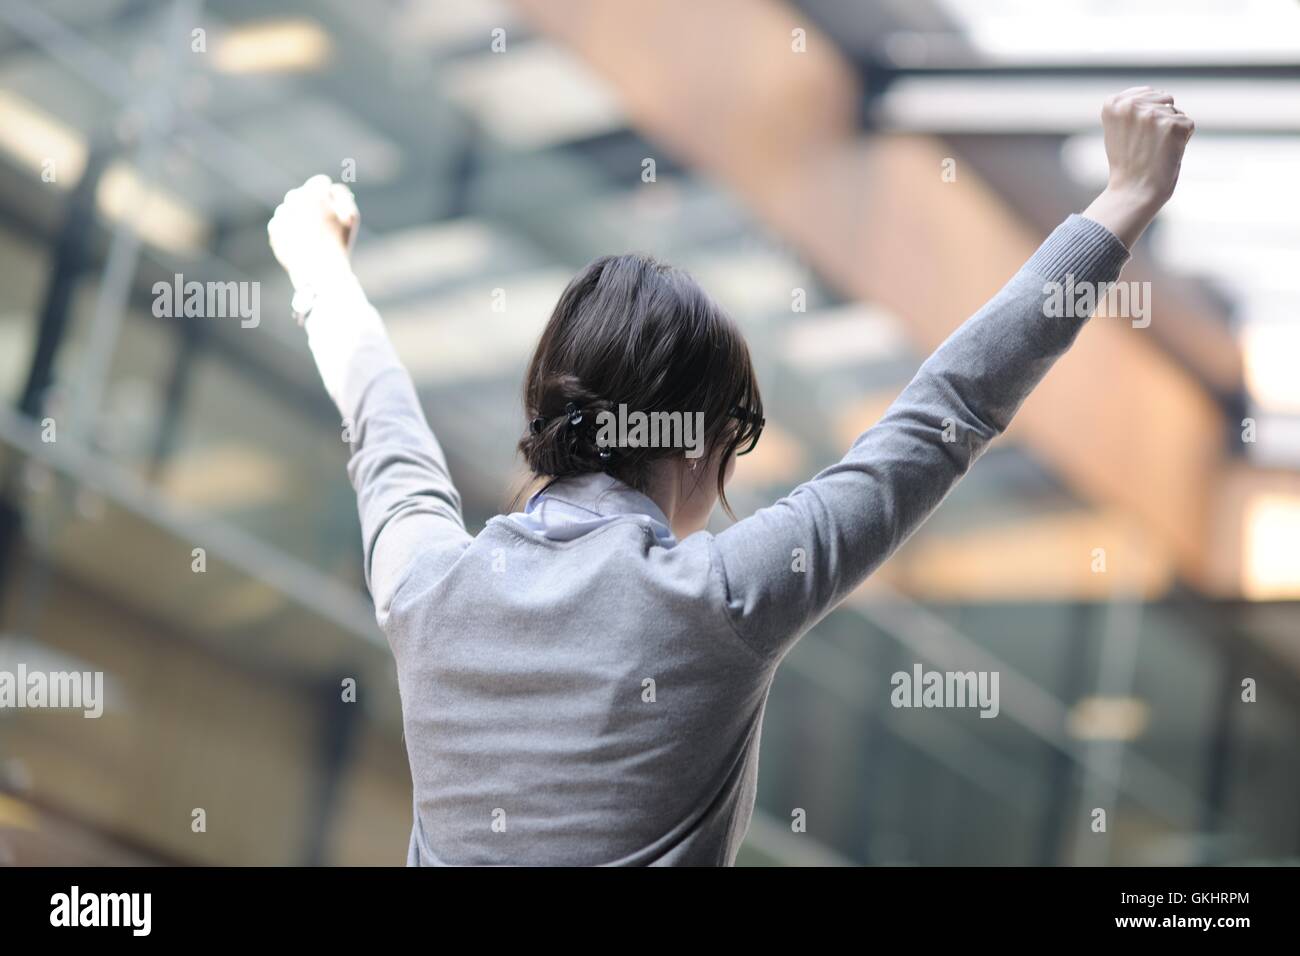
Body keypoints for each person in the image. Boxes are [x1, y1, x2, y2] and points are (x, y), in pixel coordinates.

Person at [268, 88, 1194, 865]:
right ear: (700, 444)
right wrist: (1122, 200)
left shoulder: (425, 583)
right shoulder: (716, 601)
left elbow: (379, 420)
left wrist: (319, 266)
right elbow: (942, 416)